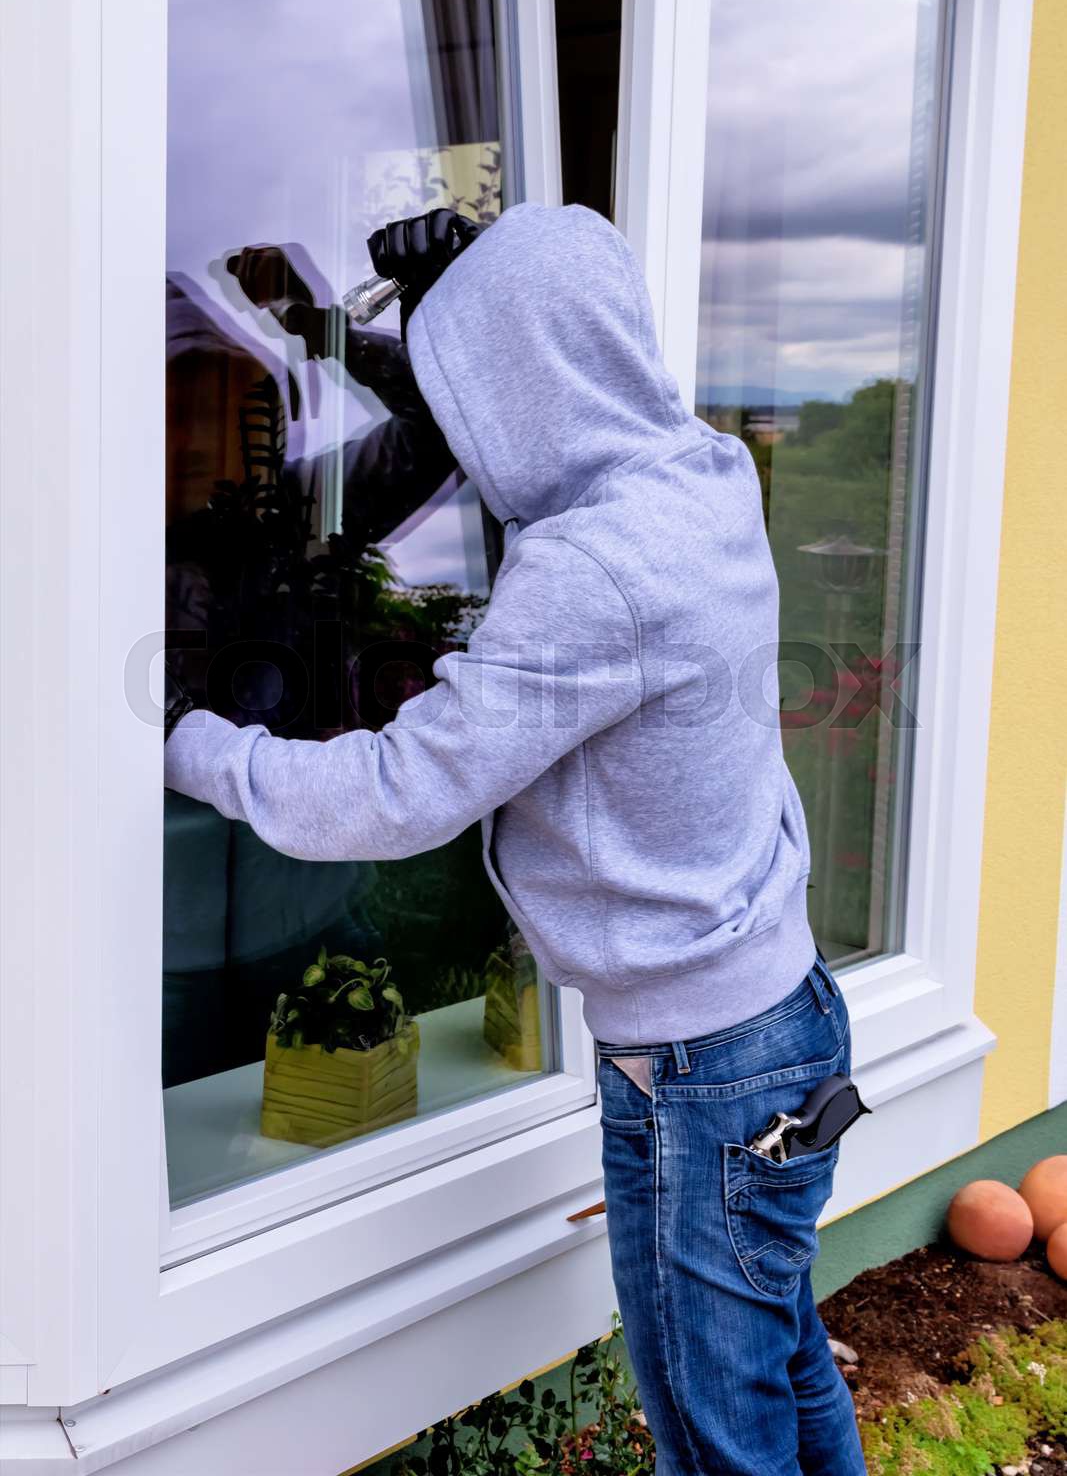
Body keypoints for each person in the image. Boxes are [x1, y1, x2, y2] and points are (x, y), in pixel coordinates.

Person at [164, 200, 867, 1476]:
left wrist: (190, 743)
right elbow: (522, 433)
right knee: (778, 1351)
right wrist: (451, 303)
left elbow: (398, 794)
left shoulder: (591, 570)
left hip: (699, 1074)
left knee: (717, 1440)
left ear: (513, 385)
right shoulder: (706, 476)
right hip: (783, 1013)